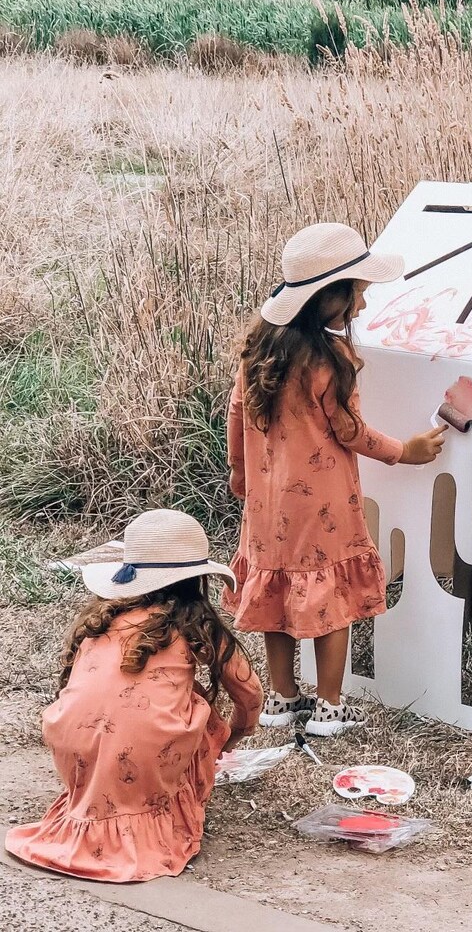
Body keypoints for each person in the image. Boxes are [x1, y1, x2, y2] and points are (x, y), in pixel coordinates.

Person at [225, 222, 446, 737]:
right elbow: (350, 432)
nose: (361, 309)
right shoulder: (331, 359)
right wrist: (404, 452)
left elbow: (236, 416)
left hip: (267, 506)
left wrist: (241, 477)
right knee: (331, 601)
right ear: (328, 298)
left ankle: (283, 698)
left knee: (274, 597)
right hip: (324, 507)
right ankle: (329, 705)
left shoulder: (257, 351)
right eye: (357, 297)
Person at [5, 509, 262, 883]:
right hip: (141, 752)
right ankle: (153, 812)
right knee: (202, 712)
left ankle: (99, 807)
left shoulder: (103, 618)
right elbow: (250, 692)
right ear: (198, 578)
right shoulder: (196, 623)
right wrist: (235, 733)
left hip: (73, 745)